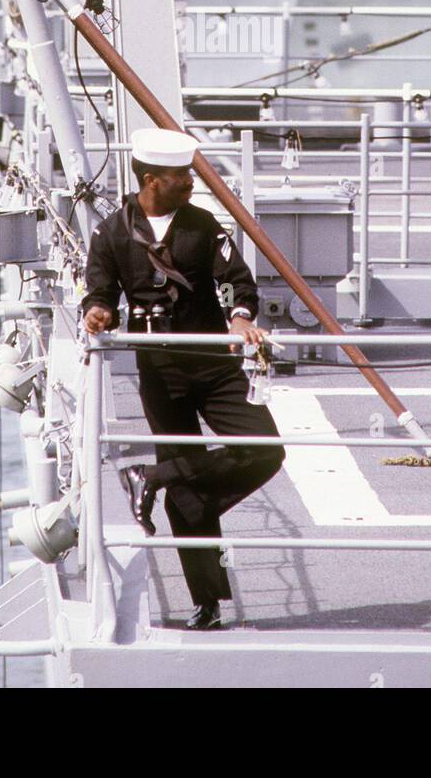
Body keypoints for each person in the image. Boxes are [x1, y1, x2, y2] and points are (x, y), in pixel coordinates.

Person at [82, 128, 285, 631]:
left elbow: (240, 281)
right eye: (180, 176)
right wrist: (99, 313)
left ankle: (151, 478)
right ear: (152, 180)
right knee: (191, 492)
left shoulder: (203, 225)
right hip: (160, 370)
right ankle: (208, 604)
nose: (191, 182)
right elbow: (99, 291)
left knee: (265, 448)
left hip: (215, 365)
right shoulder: (111, 233)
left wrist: (240, 318)